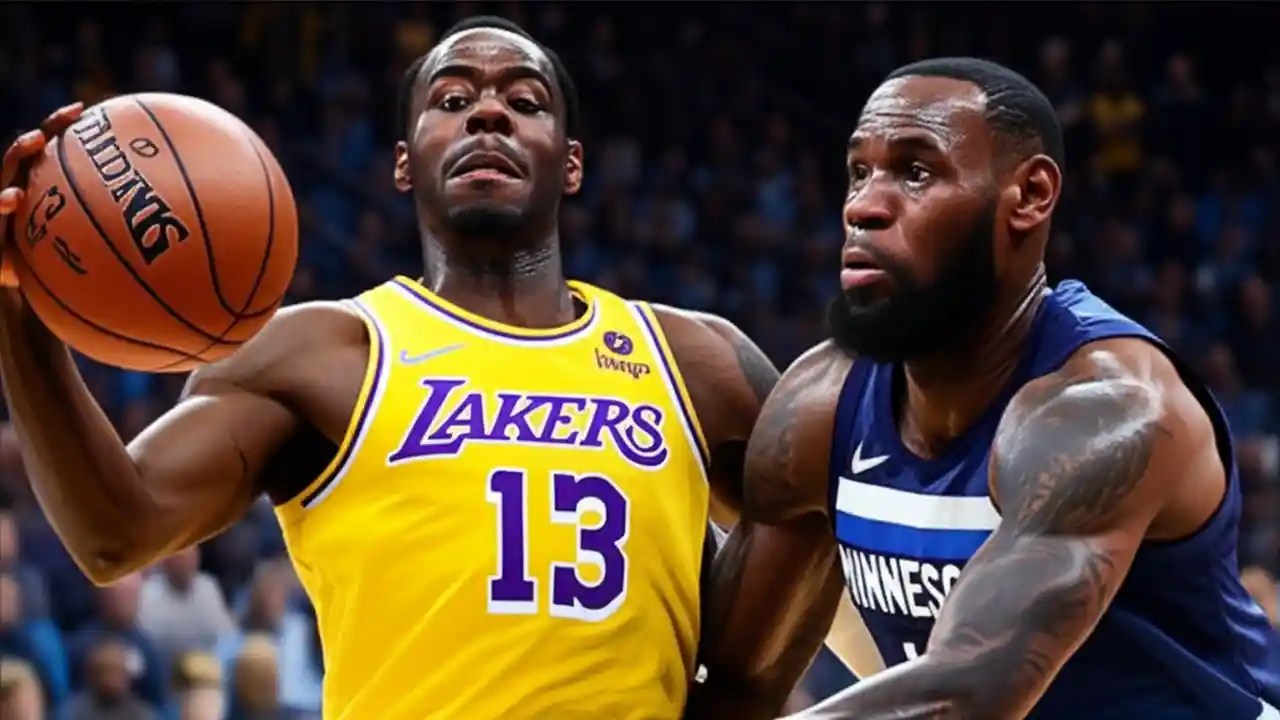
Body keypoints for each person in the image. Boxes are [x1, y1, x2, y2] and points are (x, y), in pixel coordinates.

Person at [0, 16, 776, 719]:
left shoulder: (693, 362)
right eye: (451, 98)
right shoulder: (320, 356)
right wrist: (19, 310)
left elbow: (823, 533)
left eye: (526, 100)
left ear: (571, 165)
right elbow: (115, 533)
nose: (488, 111)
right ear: (404, 164)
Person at [687, 57, 1280, 720]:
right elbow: (736, 678)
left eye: (916, 171)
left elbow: (969, 696)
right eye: (859, 171)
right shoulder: (820, 407)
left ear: (1028, 196)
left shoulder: (1109, 410)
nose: (864, 206)